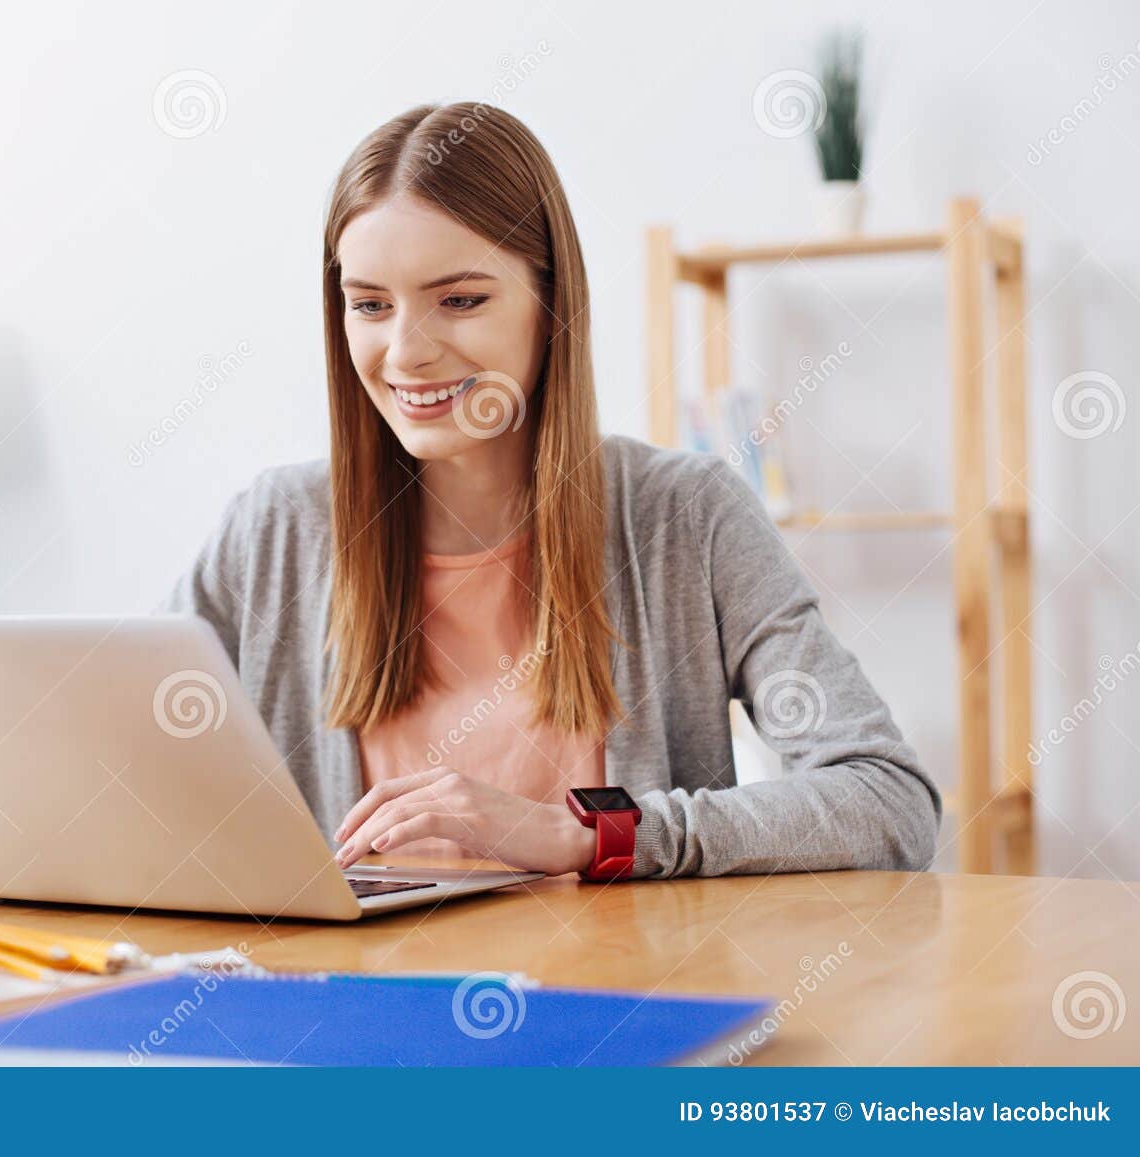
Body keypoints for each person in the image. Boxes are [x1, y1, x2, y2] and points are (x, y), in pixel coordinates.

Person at [163, 102, 940, 880]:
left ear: (551, 304)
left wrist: (591, 834)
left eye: (460, 300)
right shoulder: (274, 530)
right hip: (351, 1001)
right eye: (370, 304)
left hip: (618, 998)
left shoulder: (684, 517)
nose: (406, 351)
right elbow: (121, 766)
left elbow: (885, 800)